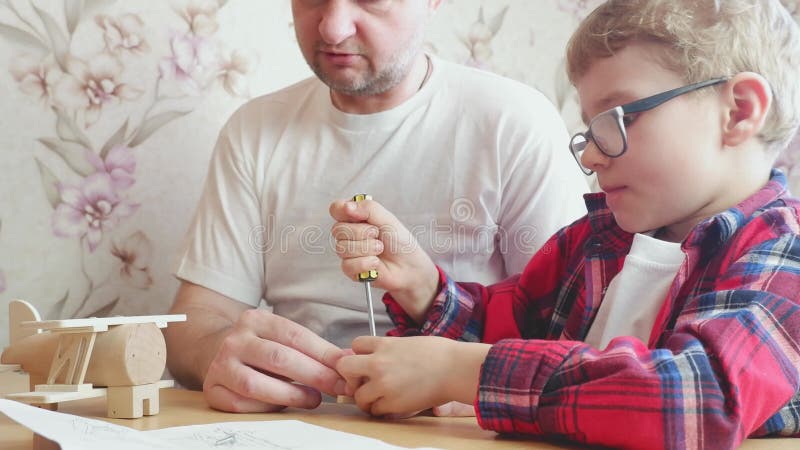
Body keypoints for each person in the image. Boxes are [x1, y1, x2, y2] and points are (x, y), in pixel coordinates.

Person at [330, 0, 800, 447]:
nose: (592, 156)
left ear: (738, 111)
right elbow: (506, 326)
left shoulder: (782, 255)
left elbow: (698, 401)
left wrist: (463, 371)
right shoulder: (595, 241)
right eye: (590, 130)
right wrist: (422, 288)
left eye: (618, 119)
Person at [164, 0, 589, 414]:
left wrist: (473, 382)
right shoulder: (254, 131)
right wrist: (215, 357)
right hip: (300, 425)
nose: (333, 27)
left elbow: (575, 332)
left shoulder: (513, 124)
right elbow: (195, 322)